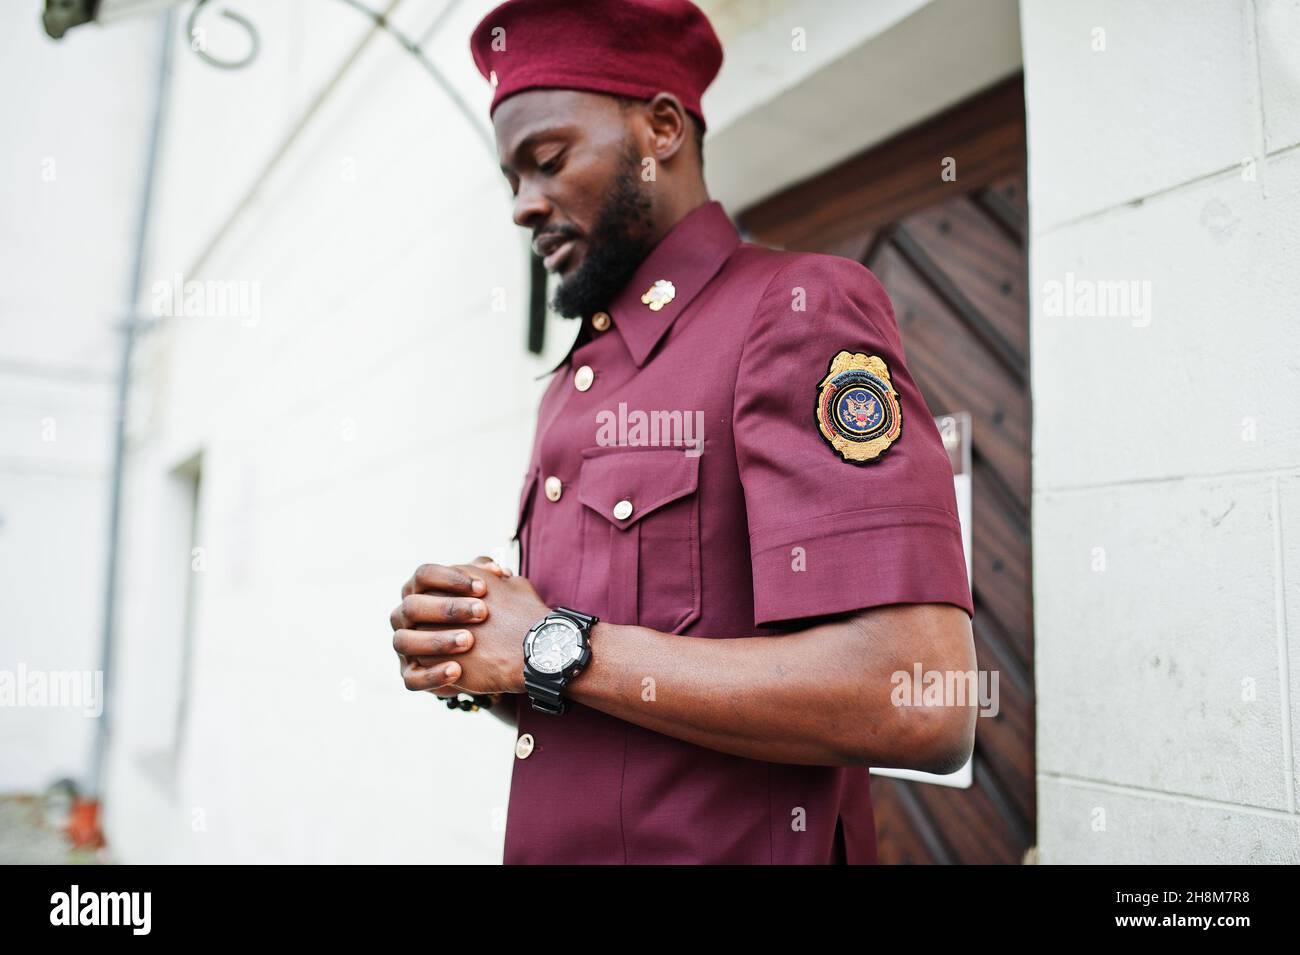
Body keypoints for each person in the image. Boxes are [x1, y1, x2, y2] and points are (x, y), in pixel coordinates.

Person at [388, 0, 976, 864]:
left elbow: (921, 698)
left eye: (546, 160)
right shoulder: (571, 386)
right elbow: (595, 693)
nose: (522, 205)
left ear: (662, 128)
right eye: (509, 178)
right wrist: (481, 652)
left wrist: (551, 645)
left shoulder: (795, 310)